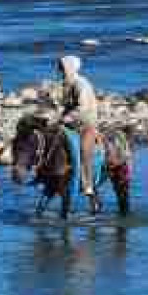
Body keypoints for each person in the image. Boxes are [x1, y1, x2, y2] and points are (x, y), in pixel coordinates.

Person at [56, 54, 101, 211]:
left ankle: (88, 184)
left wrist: (67, 117)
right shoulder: (66, 84)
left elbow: (83, 108)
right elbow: (65, 105)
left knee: (84, 149)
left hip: (85, 123)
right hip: (69, 123)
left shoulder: (81, 84)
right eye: (60, 67)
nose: (60, 70)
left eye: (62, 67)